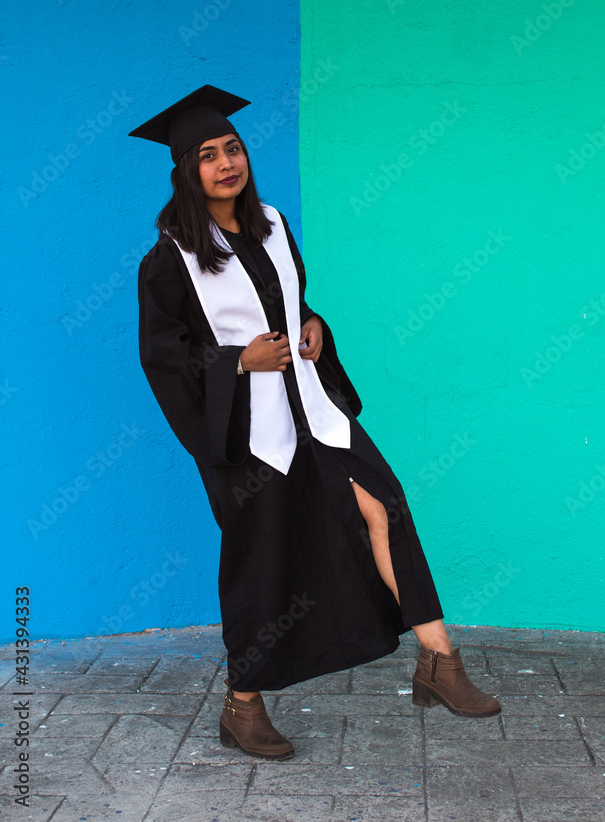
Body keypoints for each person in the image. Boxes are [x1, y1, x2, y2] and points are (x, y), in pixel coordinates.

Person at [131, 84, 501, 761]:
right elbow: (161, 356)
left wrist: (313, 325)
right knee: (263, 563)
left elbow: (292, 300)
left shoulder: (272, 224)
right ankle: (242, 706)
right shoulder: (170, 258)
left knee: (384, 506)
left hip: (315, 410)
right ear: (186, 170)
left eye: (233, 148)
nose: (225, 163)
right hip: (249, 437)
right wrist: (238, 361)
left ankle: (439, 661)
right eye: (208, 155)